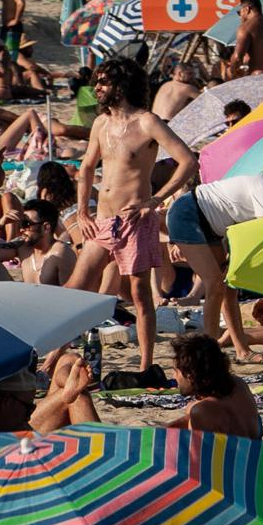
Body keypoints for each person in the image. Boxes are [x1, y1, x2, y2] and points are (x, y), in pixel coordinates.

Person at [78, 60, 200, 386]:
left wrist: (155, 200)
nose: (97, 87)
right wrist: (82, 211)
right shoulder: (101, 123)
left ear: (121, 85)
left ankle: (146, 366)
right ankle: (52, 356)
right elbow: (86, 167)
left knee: (140, 294)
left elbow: (188, 161)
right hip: (102, 221)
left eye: (104, 82)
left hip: (134, 220)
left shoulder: (147, 122)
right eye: (97, 81)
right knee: (77, 287)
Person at [165, 147, 263, 351]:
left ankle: (241, 350)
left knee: (228, 288)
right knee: (215, 284)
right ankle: (210, 348)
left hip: (209, 223)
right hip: (188, 213)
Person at [165, 333, 260, 438]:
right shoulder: (239, 384)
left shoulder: (201, 411)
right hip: (254, 445)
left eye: (176, 371)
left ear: (190, 375)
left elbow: (198, 448)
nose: (173, 376)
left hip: (230, 449)